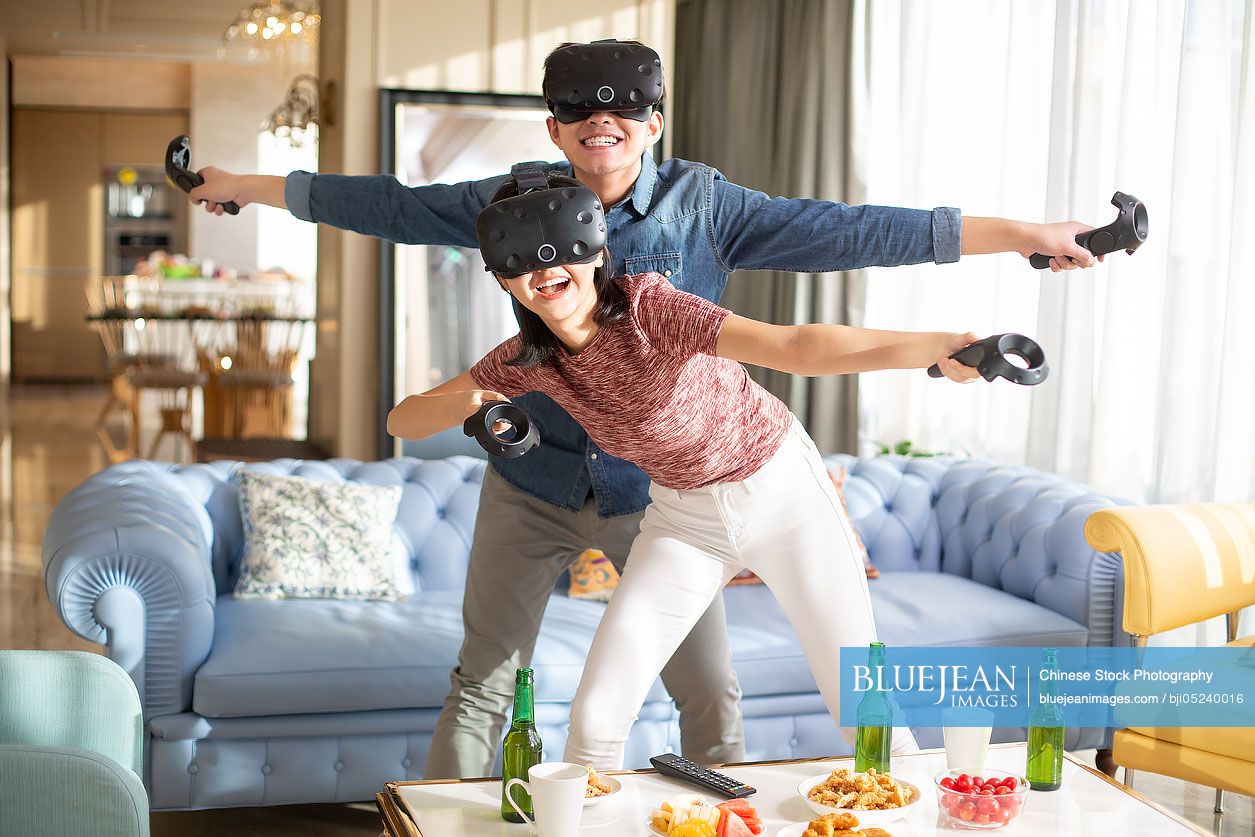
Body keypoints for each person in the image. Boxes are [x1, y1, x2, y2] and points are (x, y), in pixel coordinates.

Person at [186, 39, 1099, 778]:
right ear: (552, 128)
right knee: (518, 691)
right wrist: (248, 185)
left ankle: (726, 809)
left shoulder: (682, 251)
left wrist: (1018, 247)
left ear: (653, 120)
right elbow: (386, 205)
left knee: (717, 690)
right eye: (579, 109)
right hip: (541, 475)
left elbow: (839, 266)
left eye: (622, 106)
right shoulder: (511, 238)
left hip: (669, 490)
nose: (601, 123)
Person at [388, 170, 985, 769]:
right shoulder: (525, 362)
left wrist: (936, 346)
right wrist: (471, 402)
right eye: (521, 262)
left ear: (595, 251)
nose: (544, 273)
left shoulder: (651, 307)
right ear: (501, 277)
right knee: (596, 717)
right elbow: (402, 421)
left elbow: (793, 346)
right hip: (684, 519)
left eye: (559, 251)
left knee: (861, 705)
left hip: (780, 496)